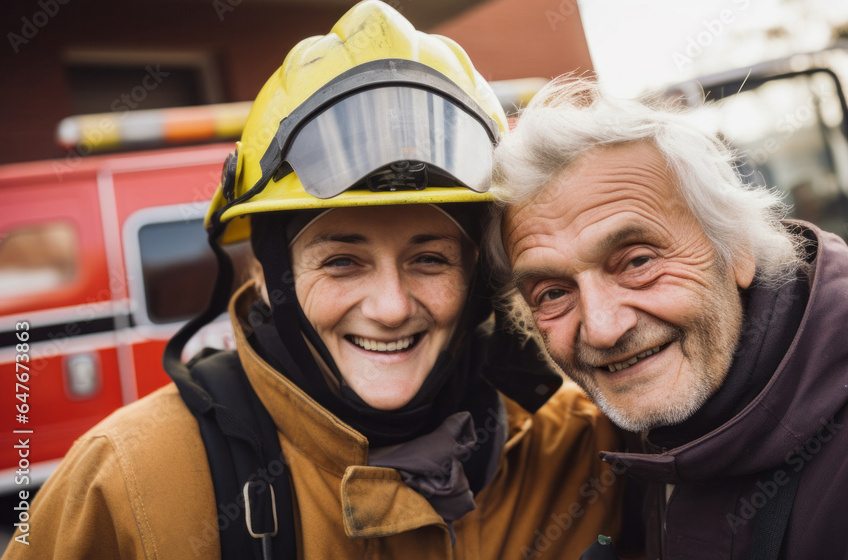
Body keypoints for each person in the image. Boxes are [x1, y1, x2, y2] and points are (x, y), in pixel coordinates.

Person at [3, 5, 627, 559]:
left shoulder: (582, 445)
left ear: (481, 275)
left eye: (430, 259)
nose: (389, 308)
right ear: (273, 275)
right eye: (341, 261)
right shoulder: (125, 486)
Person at [484, 77, 848, 559]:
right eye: (552, 292)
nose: (602, 327)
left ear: (736, 250)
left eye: (638, 262)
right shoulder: (640, 440)